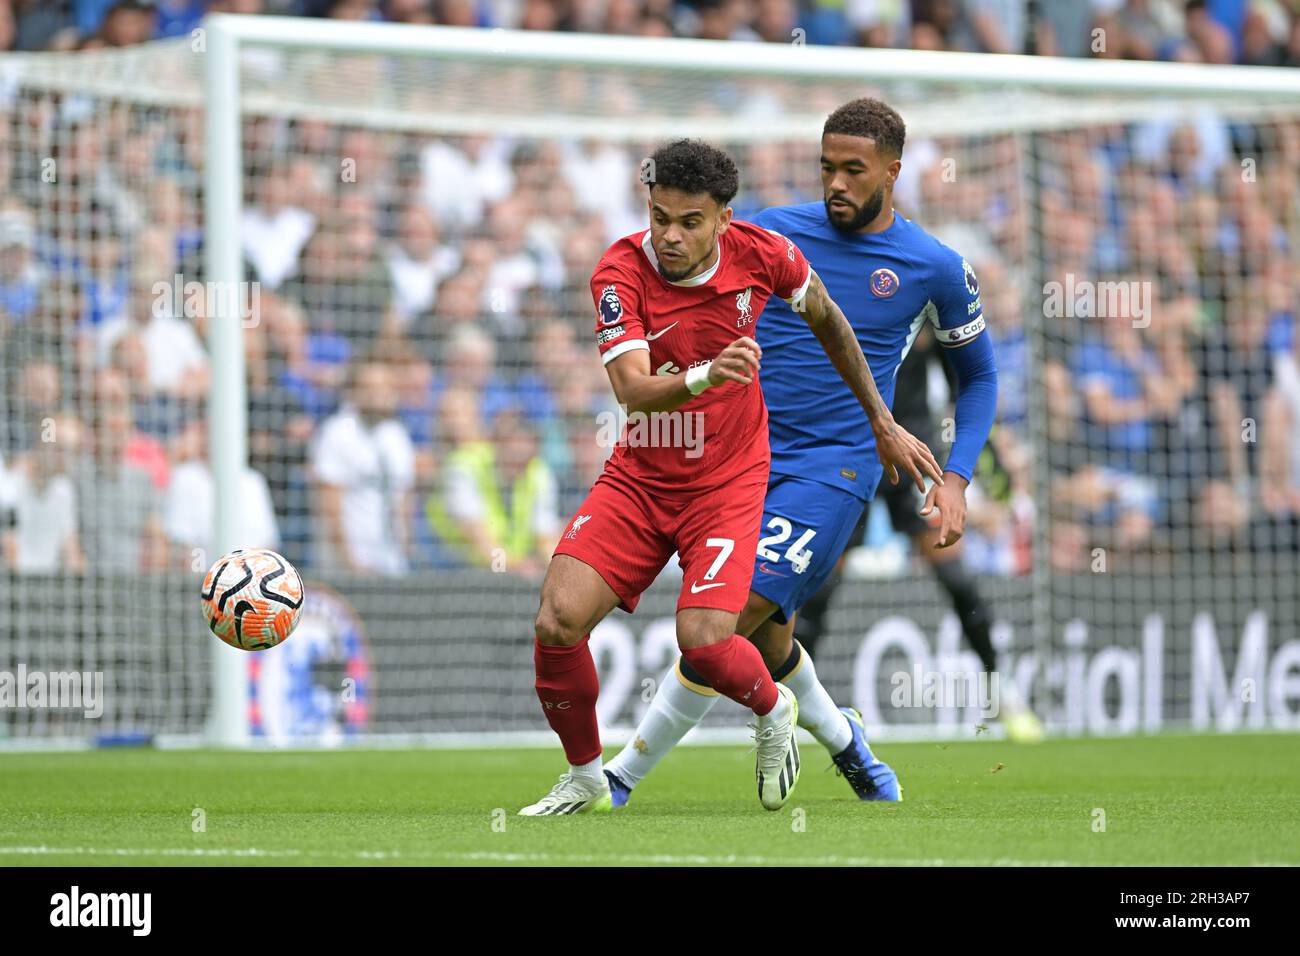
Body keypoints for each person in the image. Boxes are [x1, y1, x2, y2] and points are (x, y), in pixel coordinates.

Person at [520, 137, 942, 816]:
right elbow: (631, 388)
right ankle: (588, 775)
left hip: (728, 483)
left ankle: (773, 712)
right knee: (557, 620)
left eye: (689, 222)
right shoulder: (618, 271)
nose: (670, 235)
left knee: (708, 640)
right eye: (659, 217)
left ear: (723, 218)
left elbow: (829, 320)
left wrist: (881, 420)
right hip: (641, 476)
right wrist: (707, 374)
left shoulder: (765, 255)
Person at [604, 97, 1002, 805]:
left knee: (719, 627)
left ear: (893, 171)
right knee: (764, 641)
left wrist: (959, 479)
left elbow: (979, 376)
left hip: (834, 470)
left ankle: (620, 777)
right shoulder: (768, 236)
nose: (836, 184)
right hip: (739, 465)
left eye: (854, 170)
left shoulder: (935, 267)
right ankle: (846, 739)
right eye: (827, 168)